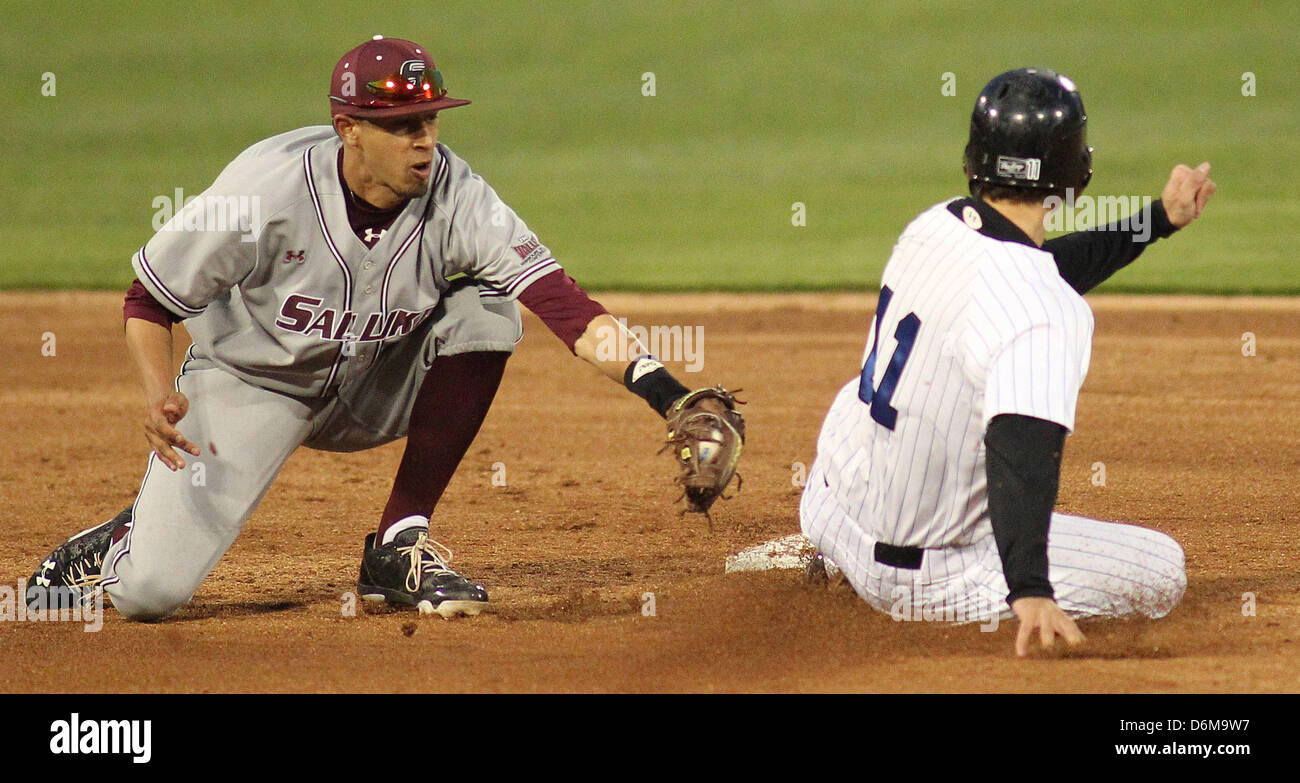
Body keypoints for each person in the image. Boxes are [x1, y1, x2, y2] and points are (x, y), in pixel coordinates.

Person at [26, 35, 738, 621]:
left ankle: (398, 545)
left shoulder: (459, 196)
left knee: (484, 307)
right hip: (249, 386)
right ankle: (123, 535)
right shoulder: (261, 190)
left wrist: (669, 393)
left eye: (429, 123)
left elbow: (563, 305)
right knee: (151, 594)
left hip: (373, 380)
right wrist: (157, 394)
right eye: (402, 127)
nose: (424, 142)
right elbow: (150, 298)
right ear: (349, 130)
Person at [799, 67, 1216, 656]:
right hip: (920, 577)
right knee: (1162, 570)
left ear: (975, 161)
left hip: (828, 505)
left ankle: (832, 553)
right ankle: (968, 589)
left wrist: (1156, 221)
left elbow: (1040, 270)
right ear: (1073, 175)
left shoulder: (934, 226)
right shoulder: (1041, 309)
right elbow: (1020, 447)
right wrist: (1030, 588)